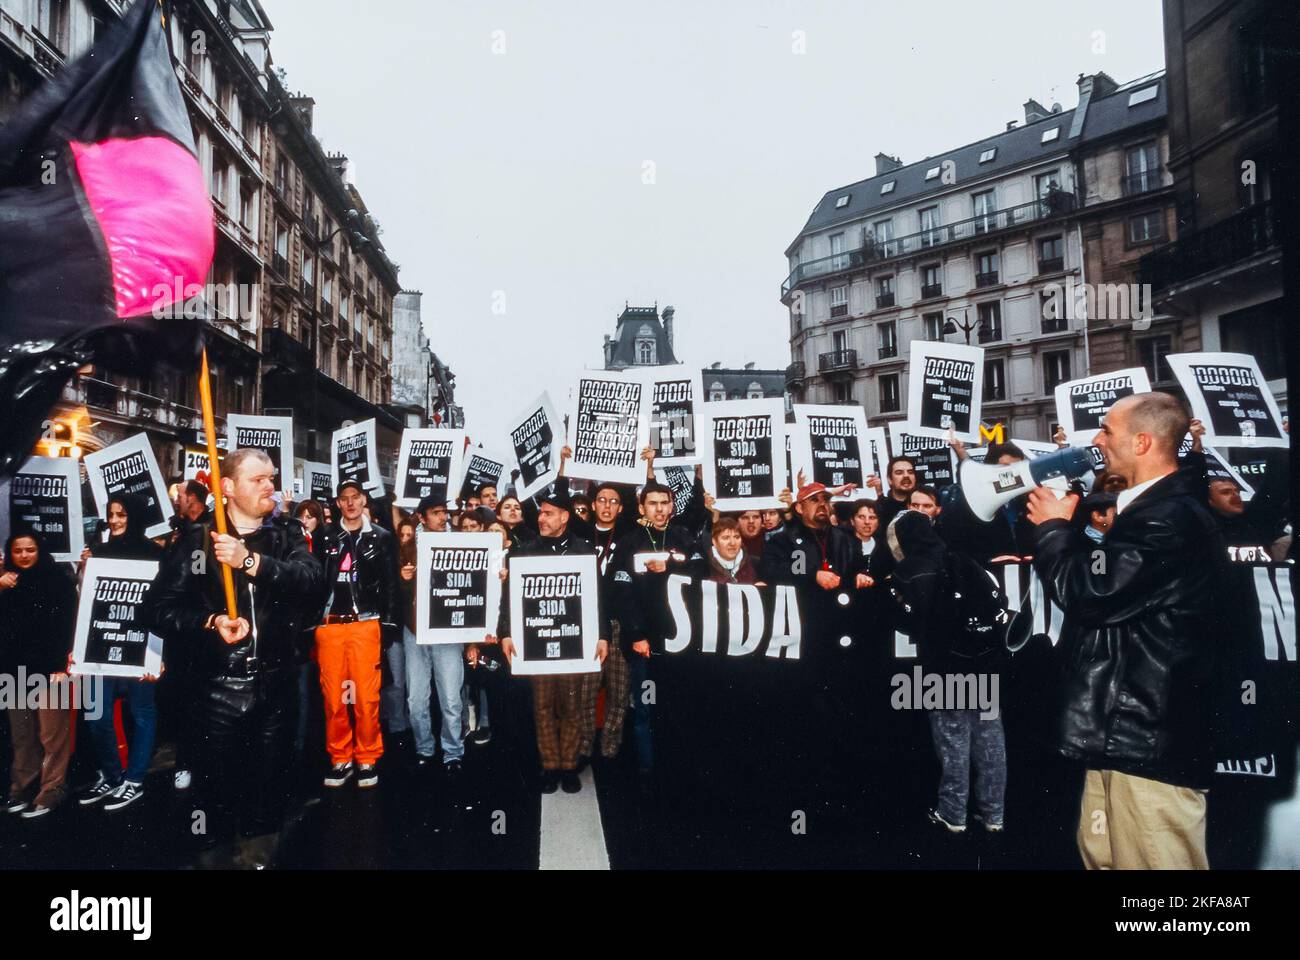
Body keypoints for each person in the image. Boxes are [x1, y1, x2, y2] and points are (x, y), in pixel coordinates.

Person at [1027, 392, 1227, 870]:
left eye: (1106, 431)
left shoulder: (1168, 519)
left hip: (1146, 742)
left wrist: (1054, 530)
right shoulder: (1150, 512)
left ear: (1141, 442)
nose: (1096, 440)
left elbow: (1089, 594)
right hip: (1122, 736)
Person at [146, 449, 324, 860]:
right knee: (214, 797)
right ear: (227, 488)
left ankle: (258, 859)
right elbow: (156, 609)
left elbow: (311, 580)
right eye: (257, 479)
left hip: (276, 686)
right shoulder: (197, 540)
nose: (270, 487)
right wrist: (209, 622)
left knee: (268, 793)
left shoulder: (285, 535)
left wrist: (250, 562)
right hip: (215, 692)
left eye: (271, 478)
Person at [886, 509, 1007, 834]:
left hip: (943, 667)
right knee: (990, 740)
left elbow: (904, 622)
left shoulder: (909, 571)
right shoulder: (963, 559)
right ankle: (994, 814)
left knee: (953, 742)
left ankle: (953, 815)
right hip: (981, 661)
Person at [498, 483, 609, 793]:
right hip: (537, 641)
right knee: (543, 705)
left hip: (574, 640)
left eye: (549, 514)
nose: (541, 519)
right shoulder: (524, 549)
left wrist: (601, 635)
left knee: (571, 706)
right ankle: (550, 766)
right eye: (541, 513)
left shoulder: (583, 549)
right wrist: (506, 632)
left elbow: (597, 597)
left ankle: (569, 766)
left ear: (564, 518)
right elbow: (509, 598)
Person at [76, 493, 164, 812]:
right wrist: (85, 570)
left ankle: (135, 780)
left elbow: (163, 607)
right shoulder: (99, 552)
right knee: (97, 714)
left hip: (142, 648)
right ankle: (113, 776)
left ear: (135, 517)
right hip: (101, 646)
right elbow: (86, 601)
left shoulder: (155, 554)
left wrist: (159, 655)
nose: (114, 520)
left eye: (121, 514)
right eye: (111, 514)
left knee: (142, 713)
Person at [315, 479, 404, 788]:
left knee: (365, 697)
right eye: (344, 498)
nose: (350, 503)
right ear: (337, 503)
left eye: (355, 497)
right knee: (335, 698)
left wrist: (389, 623)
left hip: (366, 624)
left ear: (364, 500)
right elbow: (313, 581)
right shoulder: (325, 536)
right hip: (331, 626)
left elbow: (391, 583)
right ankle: (340, 756)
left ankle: (367, 756)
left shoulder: (380, 537)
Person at [611, 480, 703, 777]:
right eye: (653, 503)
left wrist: (671, 568)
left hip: (681, 638)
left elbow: (702, 571)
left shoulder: (684, 536)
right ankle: (647, 769)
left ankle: (675, 764)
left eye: (664, 503)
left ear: (672, 506)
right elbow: (620, 591)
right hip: (644, 643)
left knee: (678, 703)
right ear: (642, 507)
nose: (660, 509)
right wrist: (636, 635)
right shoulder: (630, 541)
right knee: (645, 707)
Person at [1, 532, 77, 819]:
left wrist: (61, 666)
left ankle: (51, 791)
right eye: (18, 550)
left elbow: (68, 624)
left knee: (52, 736)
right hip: (13, 670)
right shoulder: (6, 581)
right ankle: (22, 789)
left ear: (40, 550)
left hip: (50, 670)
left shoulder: (57, 580)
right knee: (22, 735)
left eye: (30, 549)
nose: (23, 555)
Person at [402, 494, 470, 774]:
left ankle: (453, 751)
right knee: (416, 698)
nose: (443, 517)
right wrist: (403, 579)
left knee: (451, 697)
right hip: (415, 631)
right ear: (421, 517)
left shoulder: (462, 545)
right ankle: (424, 748)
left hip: (447, 631)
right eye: (436, 513)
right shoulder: (407, 548)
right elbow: (395, 592)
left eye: (445, 512)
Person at [578, 481, 635, 766]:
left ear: (621, 507)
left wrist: (647, 471)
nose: (607, 506)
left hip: (618, 624)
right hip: (588, 623)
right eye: (602, 500)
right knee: (586, 692)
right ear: (593, 504)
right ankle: (585, 748)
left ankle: (610, 748)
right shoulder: (579, 534)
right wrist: (563, 470)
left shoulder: (629, 537)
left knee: (619, 691)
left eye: (613, 501)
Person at [758, 482, 856, 591]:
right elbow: (770, 571)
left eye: (826, 500)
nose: (822, 504)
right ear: (800, 508)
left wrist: (859, 575)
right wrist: (813, 575)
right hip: (803, 604)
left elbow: (853, 568)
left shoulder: (843, 537)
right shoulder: (783, 540)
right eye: (814, 500)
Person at [706, 516, 760, 584]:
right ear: (714, 541)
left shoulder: (756, 565)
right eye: (726, 538)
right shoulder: (702, 568)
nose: (732, 543)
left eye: (736, 537)